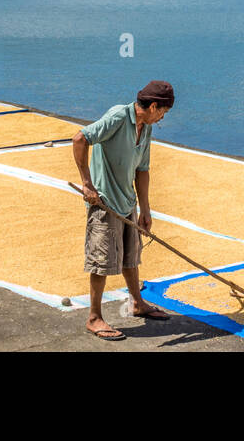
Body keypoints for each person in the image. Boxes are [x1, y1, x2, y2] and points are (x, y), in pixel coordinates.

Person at [72, 79, 175, 341]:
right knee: (101, 260)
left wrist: (146, 210)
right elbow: (80, 138)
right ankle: (94, 317)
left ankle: (137, 303)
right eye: (163, 112)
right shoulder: (119, 116)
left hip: (127, 201)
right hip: (104, 202)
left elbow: (142, 170)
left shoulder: (146, 127)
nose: (162, 118)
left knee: (131, 255)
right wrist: (87, 183)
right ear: (153, 106)